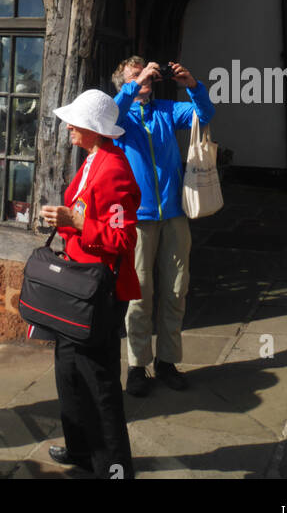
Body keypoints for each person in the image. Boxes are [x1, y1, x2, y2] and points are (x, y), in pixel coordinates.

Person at [39, 89, 139, 481]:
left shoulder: (113, 167)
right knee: (67, 370)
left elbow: (122, 239)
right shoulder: (94, 160)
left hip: (97, 289)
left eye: (74, 122)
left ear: (93, 130)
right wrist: (64, 219)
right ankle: (81, 448)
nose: (67, 127)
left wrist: (75, 221)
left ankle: (114, 467)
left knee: (98, 382)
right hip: (78, 285)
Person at [112, 56, 215, 396]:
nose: (145, 82)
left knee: (176, 290)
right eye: (135, 77)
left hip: (173, 214)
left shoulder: (167, 110)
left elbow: (205, 115)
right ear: (124, 83)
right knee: (139, 295)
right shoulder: (120, 117)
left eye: (147, 77)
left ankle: (168, 361)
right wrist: (135, 82)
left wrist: (192, 85)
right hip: (139, 219)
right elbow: (109, 114)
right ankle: (137, 366)